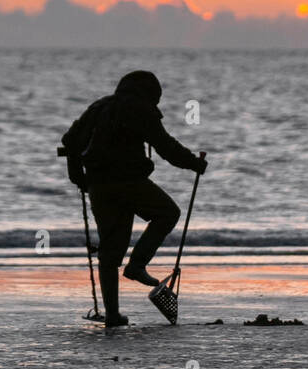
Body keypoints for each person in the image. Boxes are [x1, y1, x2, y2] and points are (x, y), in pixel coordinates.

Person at [62, 70, 207, 327]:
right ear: (148, 93)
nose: (155, 104)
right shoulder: (139, 109)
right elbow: (165, 146)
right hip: (129, 182)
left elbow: (70, 142)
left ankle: (113, 315)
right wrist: (193, 163)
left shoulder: (99, 106)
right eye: (155, 99)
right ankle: (137, 264)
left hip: (98, 185)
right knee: (167, 213)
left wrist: (80, 179)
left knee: (110, 249)